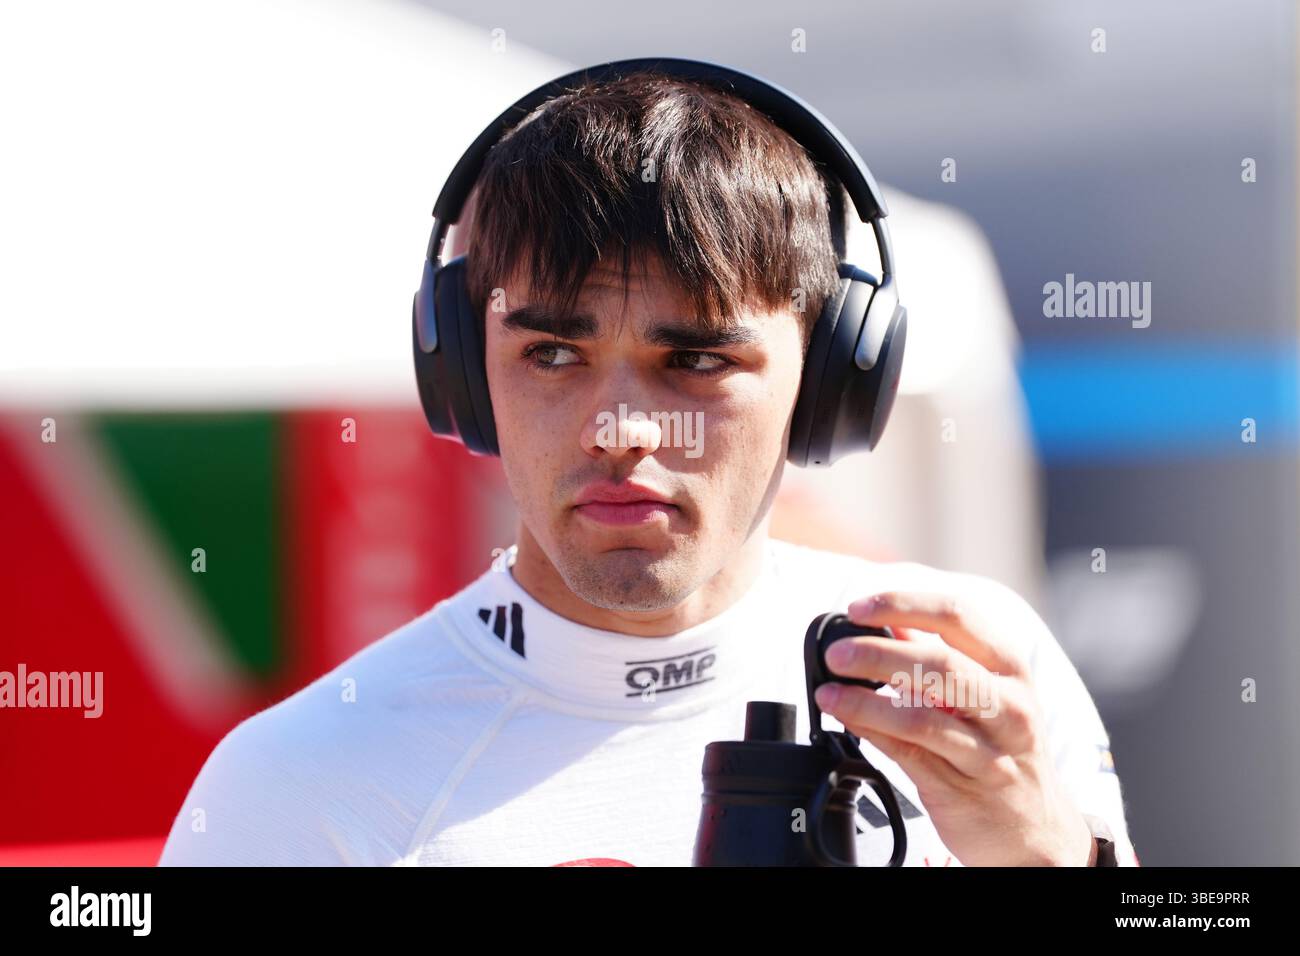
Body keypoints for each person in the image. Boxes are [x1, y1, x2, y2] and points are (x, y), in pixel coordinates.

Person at [159, 67, 1137, 867]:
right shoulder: (293, 782)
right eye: (550, 354)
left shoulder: (973, 678)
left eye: (697, 360)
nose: (621, 429)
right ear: (462, 372)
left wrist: (1044, 852)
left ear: (835, 374)